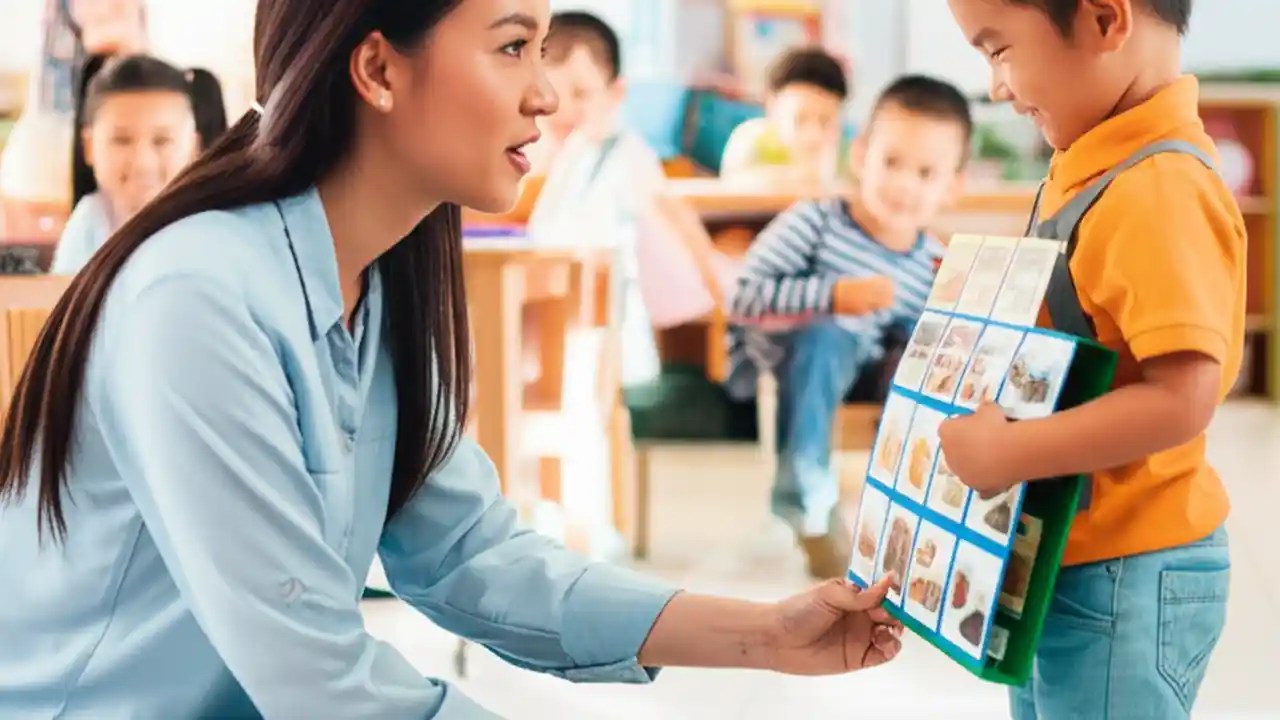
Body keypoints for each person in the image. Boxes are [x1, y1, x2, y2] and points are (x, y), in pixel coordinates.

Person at [0, 2, 901, 718]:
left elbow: (476, 558)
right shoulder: (197, 298)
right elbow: (322, 683)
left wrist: (768, 635)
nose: (546, 95)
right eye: (513, 47)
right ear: (379, 68)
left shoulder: (381, 282)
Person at [940, 1, 1236, 718]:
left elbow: (1183, 397)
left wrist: (1013, 453)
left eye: (999, 49)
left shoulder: (1157, 187)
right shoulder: (1089, 162)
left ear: (1105, 19)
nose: (997, 87)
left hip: (1128, 568)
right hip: (1075, 561)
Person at [728, 75, 974, 579]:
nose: (905, 184)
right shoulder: (816, 222)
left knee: (931, 352)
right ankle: (809, 509)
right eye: (892, 163)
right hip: (802, 358)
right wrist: (833, 295)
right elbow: (741, 296)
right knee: (829, 334)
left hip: (873, 369)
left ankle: (908, 510)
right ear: (860, 156)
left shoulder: (933, 261)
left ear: (952, 186)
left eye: (926, 173)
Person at [529, 10, 735, 389]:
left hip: (606, 313)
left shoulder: (620, 151)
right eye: (550, 94)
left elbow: (670, 210)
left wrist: (712, 277)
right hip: (547, 303)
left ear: (615, 94)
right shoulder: (539, 153)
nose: (563, 109)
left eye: (580, 94)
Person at [53, 53, 227, 273]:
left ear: (194, 146)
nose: (143, 162)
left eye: (163, 141)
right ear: (89, 147)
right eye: (121, 141)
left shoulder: (213, 231)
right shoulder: (90, 220)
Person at [719, 46, 851, 187]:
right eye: (800, 119)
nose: (813, 135)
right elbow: (732, 185)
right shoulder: (750, 138)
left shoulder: (848, 151)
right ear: (772, 106)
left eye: (825, 121)